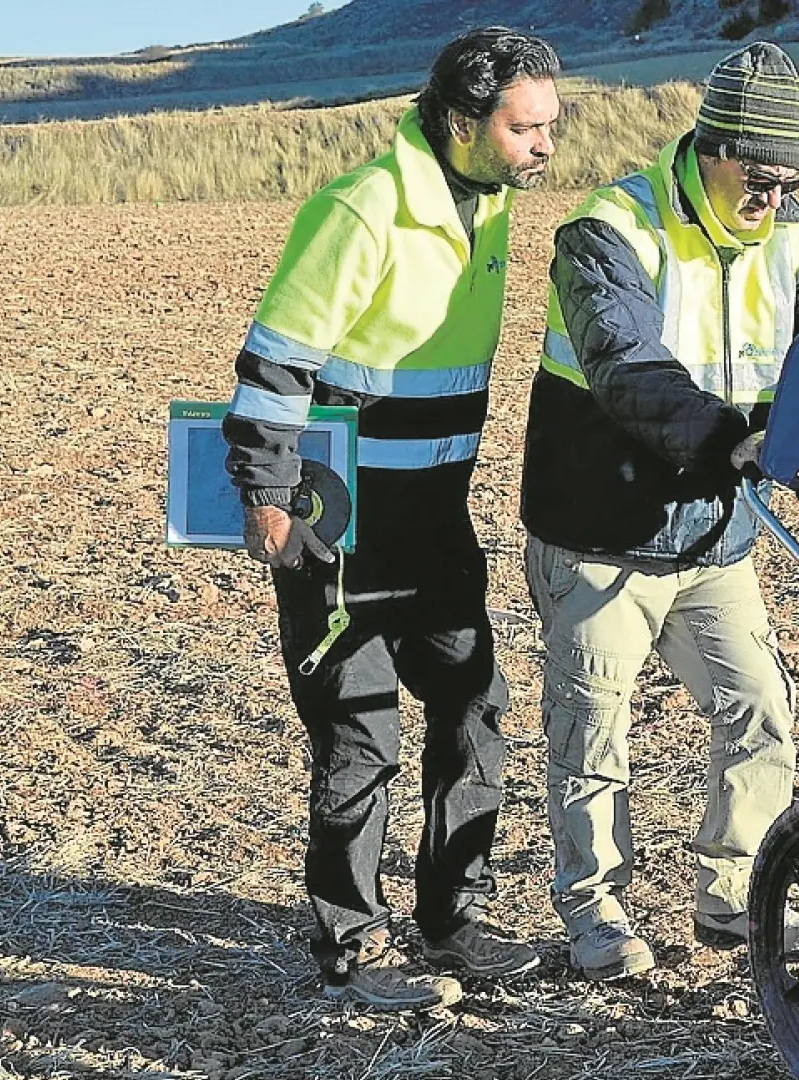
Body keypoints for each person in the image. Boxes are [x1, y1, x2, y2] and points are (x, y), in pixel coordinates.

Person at [520, 41, 799, 980]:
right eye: (758, 179)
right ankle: (595, 911)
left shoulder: (793, 238)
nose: (773, 200)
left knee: (761, 706)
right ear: (710, 148)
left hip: (715, 537)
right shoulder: (610, 230)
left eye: (789, 181)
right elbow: (628, 368)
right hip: (601, 537)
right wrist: (733, 439)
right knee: (593, 730)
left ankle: (735, 896)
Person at [222, 26, 561, 1010]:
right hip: (341, 527)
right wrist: (270, 501)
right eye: (524, 128)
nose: (544, 146)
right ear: (464, 121)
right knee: (360, 734)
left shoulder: (486, 206)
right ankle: (350, 945)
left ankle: (450, 922)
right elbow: (275, 367)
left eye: (550, 126)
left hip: (436, 523)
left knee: (474, 703)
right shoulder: (361, 210)